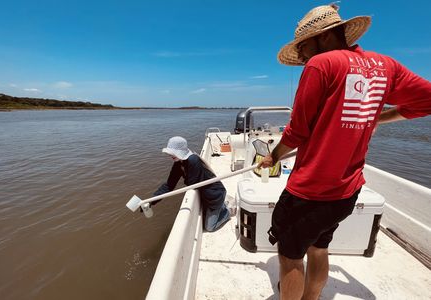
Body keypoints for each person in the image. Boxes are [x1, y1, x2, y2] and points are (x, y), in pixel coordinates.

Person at [258, 4, 431, 300]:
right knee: (319, 247)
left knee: (290, 257)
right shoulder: (386, 66)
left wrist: (271, 156)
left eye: (303, 48)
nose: (301, 58)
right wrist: (378, 117)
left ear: (324, 38)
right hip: (346, 191)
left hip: (309, 191)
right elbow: (425, 102)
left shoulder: (321, 64)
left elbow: (297, 132)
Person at [153, 136, 230, 232]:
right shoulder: (178, 164)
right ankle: (222, 206)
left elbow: (192, 184)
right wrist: (152, 200)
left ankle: (227, 212)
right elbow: (169, 185)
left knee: (209, 227)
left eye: (173, 152)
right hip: (206, 195)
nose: (170, 155)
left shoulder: (193, 160)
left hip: (215, 195)